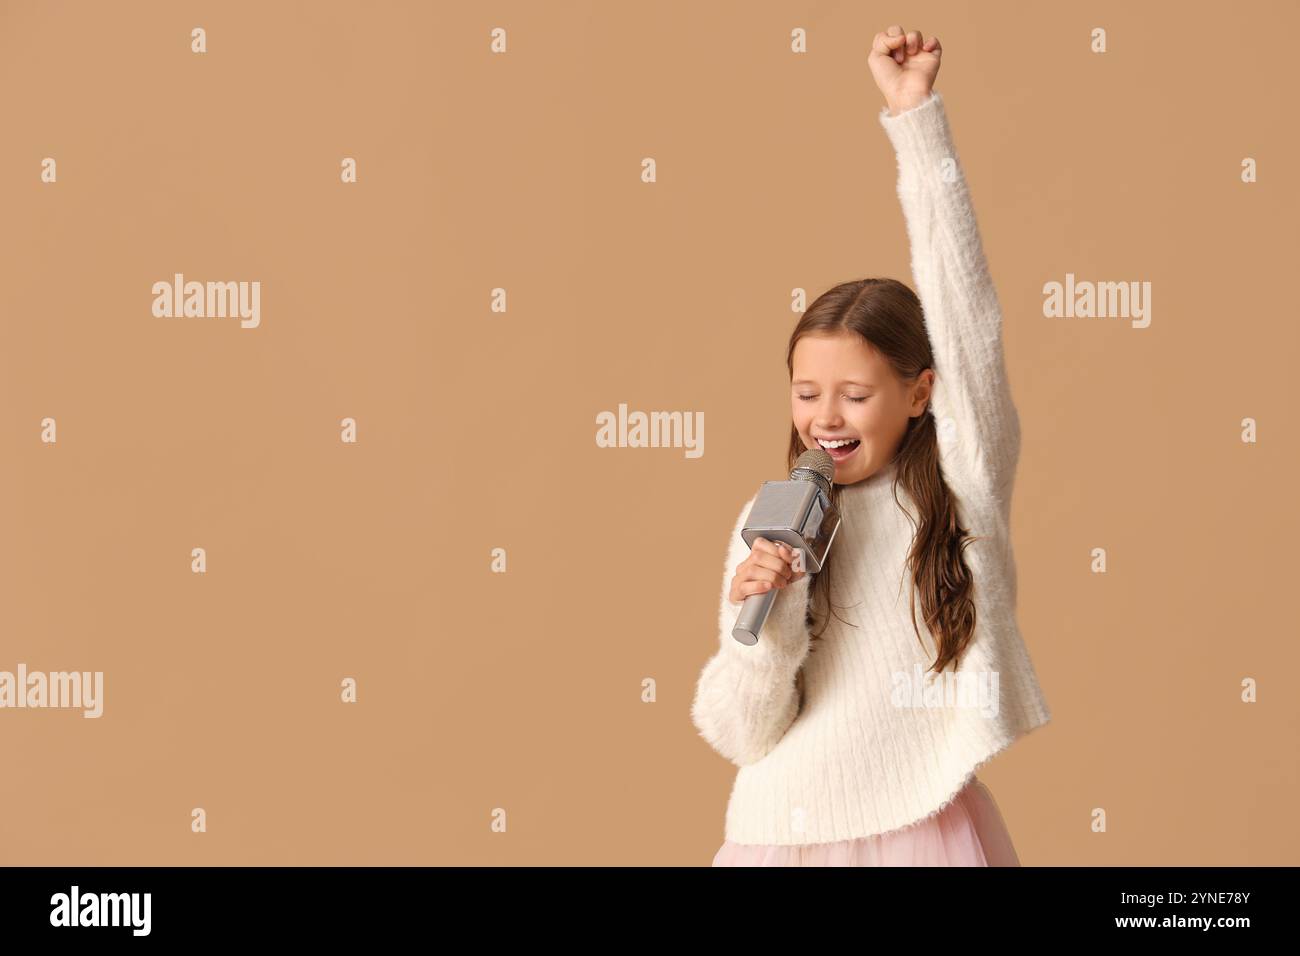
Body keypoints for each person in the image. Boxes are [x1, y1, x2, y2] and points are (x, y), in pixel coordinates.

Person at [690, 25, 1051, 866]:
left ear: (921, 393)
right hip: (778, 834)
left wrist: (915, 119)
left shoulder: (960, 483)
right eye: (807, 393)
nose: (826, 416)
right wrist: (767, 623)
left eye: (855, 395)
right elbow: (743, 734)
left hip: (920, 827)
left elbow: (966, 319)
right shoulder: (771, 515)